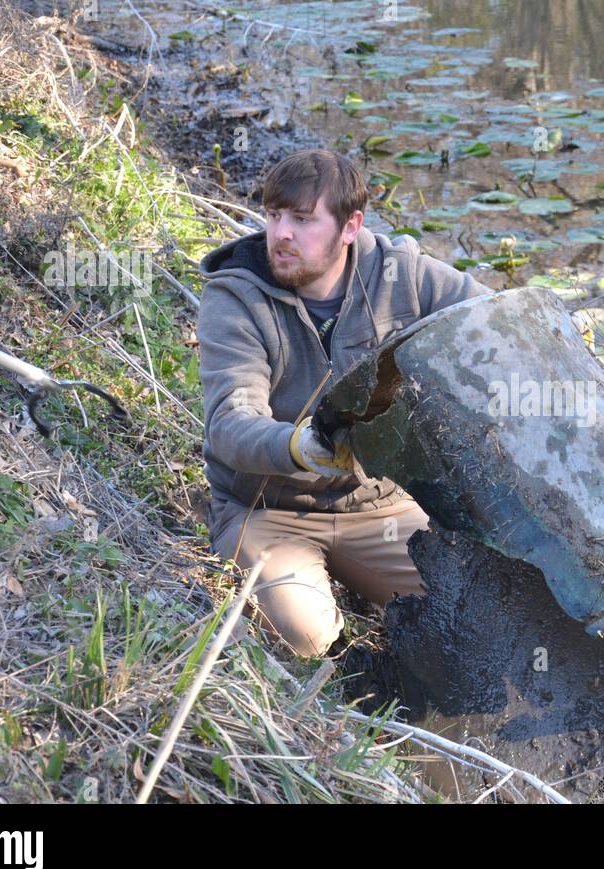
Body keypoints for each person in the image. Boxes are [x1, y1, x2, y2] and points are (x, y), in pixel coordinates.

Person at [196, 148, 490, 658]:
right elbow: (230, 421)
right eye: (273, 215)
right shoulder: (235, 298)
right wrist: (299, 446)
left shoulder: (401, 274)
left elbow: (489, 320)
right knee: (304, 638)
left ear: (350, 227)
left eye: (303, 220)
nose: (281, 233)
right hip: (269, 510)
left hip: (382, 508)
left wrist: (557, 333)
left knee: (468, 616)